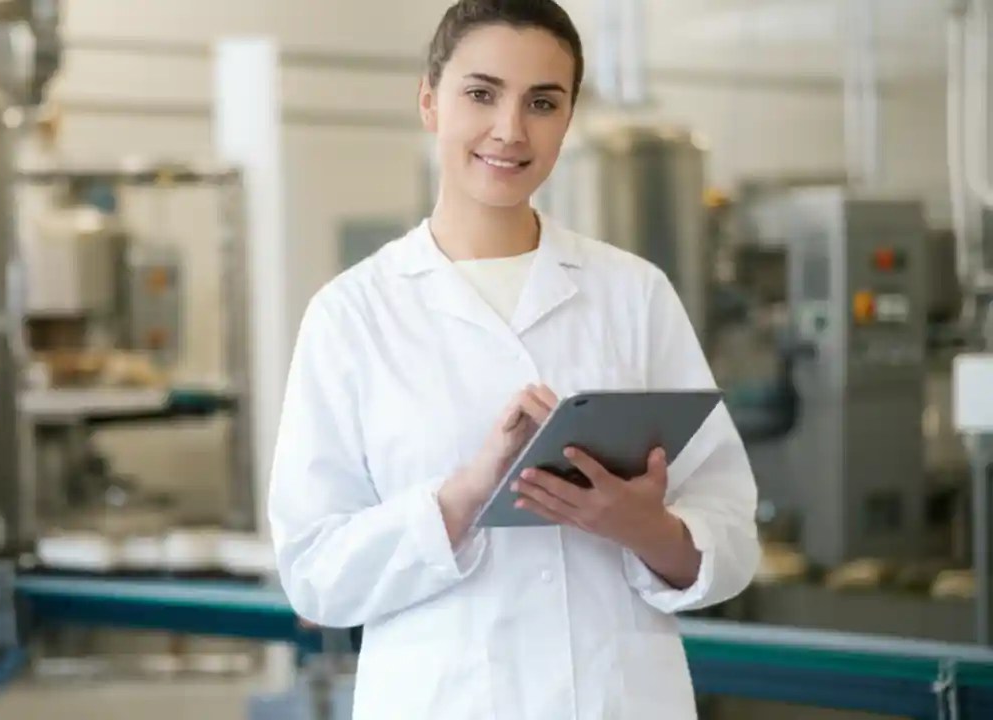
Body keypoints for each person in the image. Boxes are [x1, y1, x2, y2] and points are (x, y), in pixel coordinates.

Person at [267, 1, 760, 718]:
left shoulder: (633, 294)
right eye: (481, 93)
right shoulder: (353, 315)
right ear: (430, 102)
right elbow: (314, 576)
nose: (510, 129)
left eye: (542, 103)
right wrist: (464, 496)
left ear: (568, 118)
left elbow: (734, 536)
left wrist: (643, 528)